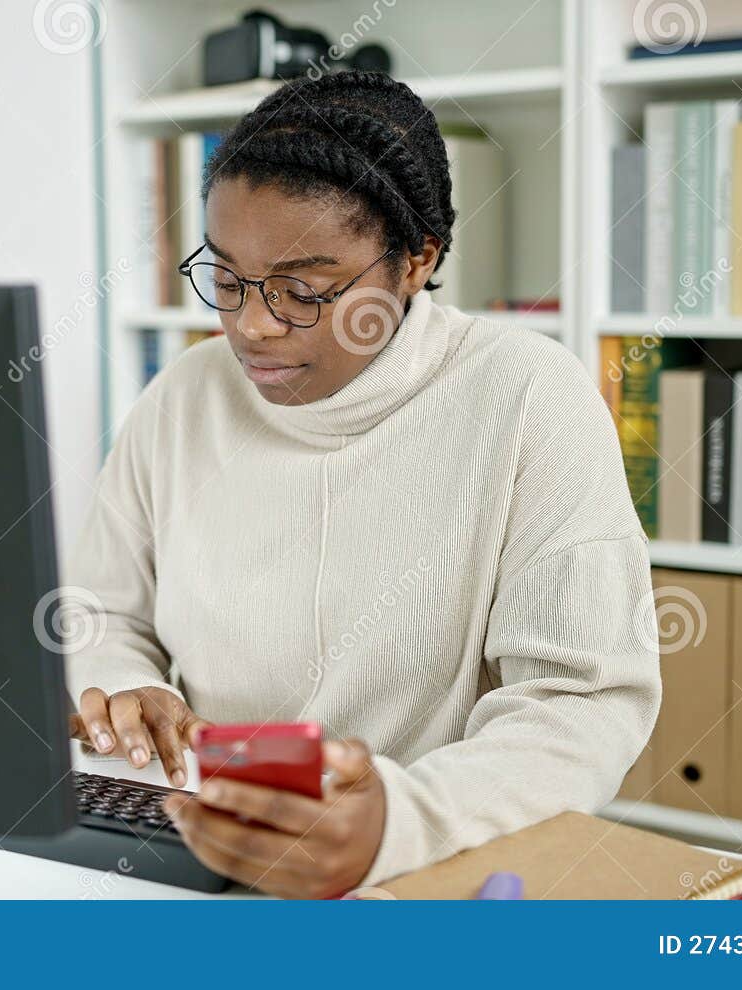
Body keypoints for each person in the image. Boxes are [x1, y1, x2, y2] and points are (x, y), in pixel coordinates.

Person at [65, 71, 660, 898]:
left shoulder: (527, 397)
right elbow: (100, 610)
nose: (251, 326)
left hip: (415, 877)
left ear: (417, 260)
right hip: (190, 851)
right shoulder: (184, 396)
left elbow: (582, 706)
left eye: (303, 291)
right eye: (228, 280)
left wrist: (397, 822)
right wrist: (129, 685)